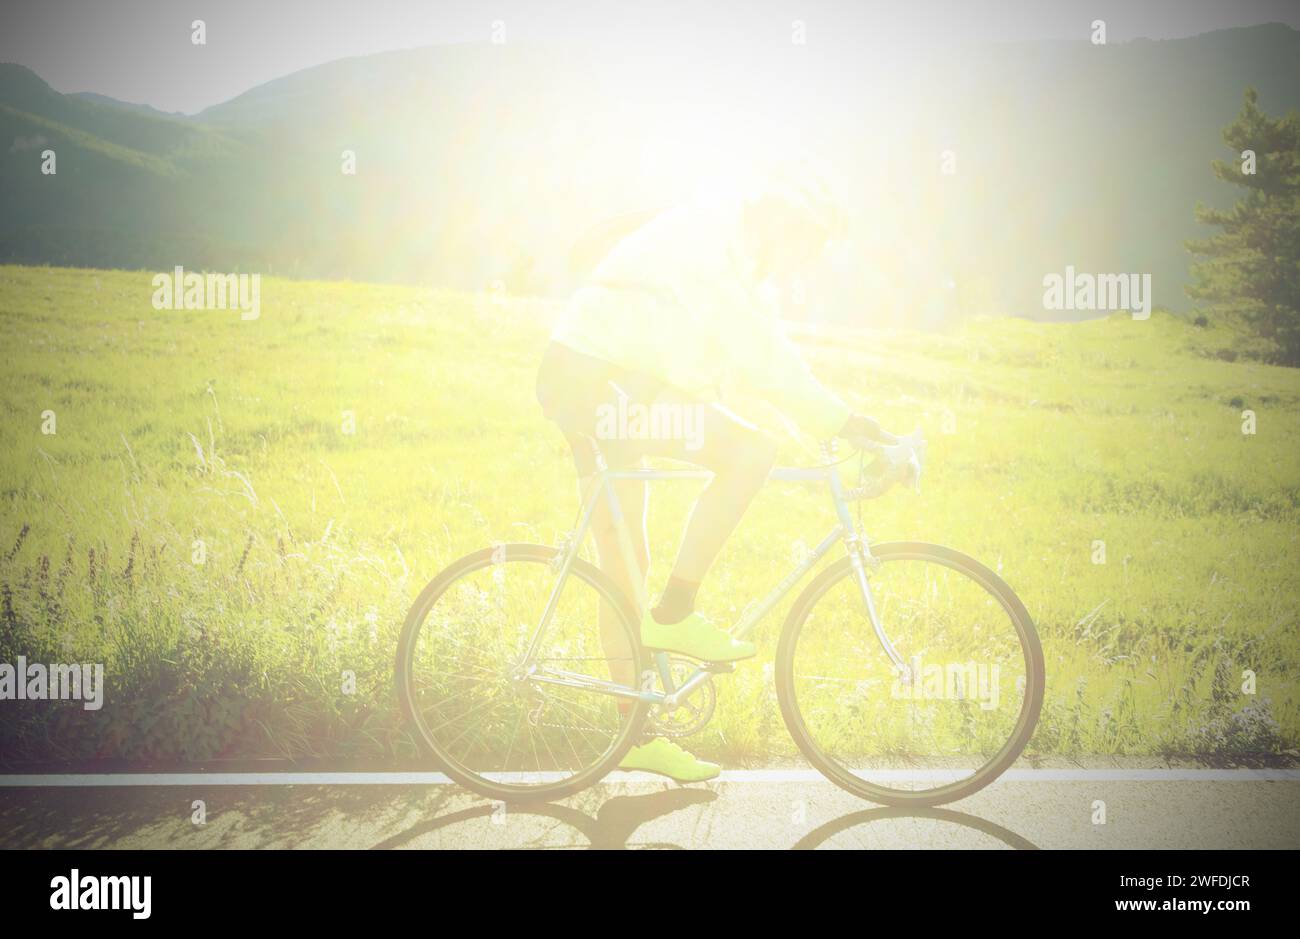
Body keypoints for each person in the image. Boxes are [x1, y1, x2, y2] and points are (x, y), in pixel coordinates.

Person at [535, 158, 897, 782]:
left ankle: (636, 726)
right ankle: (674, 619)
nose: (808, 261)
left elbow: (755, 369)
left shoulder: (741, 264)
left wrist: (830, 432)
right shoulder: (709, 242)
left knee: (632, 555)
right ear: (783, 225)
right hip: (590, 383)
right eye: (809, 245)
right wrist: (846, 424)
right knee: (716, 480)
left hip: (622, 385)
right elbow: (762, 361)